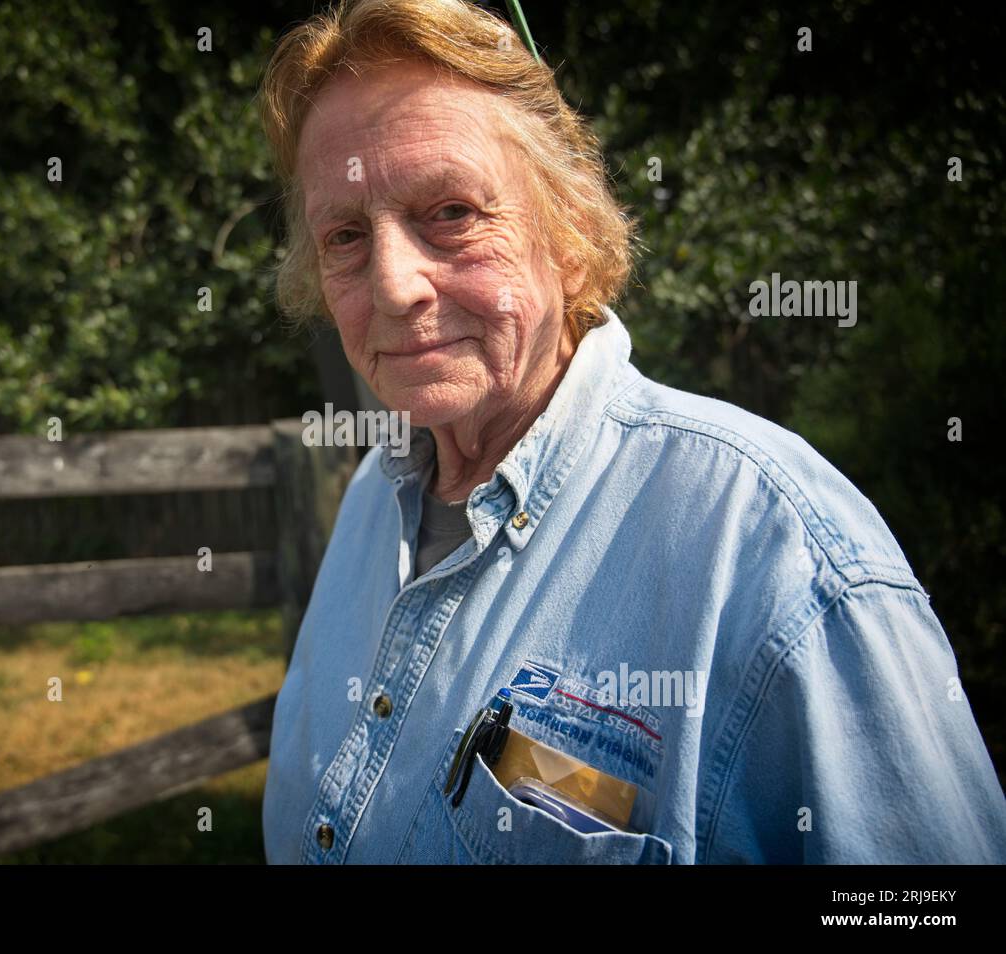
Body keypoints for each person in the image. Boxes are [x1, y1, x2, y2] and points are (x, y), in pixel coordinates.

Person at [257, 0, 1006, 863]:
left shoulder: (771, 544)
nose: (394, 287)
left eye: (452, 212)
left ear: (568, 233)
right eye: (345, 236)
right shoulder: (370, 501)